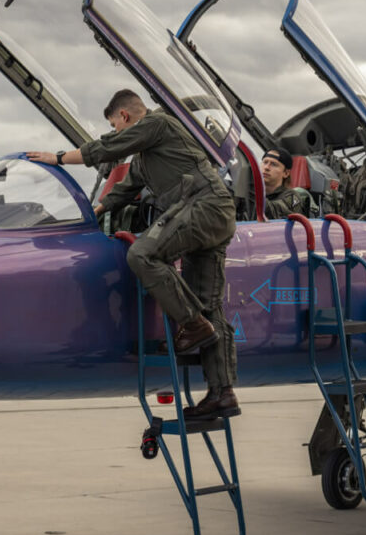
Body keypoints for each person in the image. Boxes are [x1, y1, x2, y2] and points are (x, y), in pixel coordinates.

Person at [26, 90, 239, 418]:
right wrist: (91, 213)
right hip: (212, 212)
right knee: (210, 306)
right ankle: (222, 394)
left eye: (115, 125)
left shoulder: (158, 124)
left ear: (124, 117)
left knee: (142, 255)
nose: (116, 133)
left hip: (204, 205)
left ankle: (191, 324)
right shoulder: (145, 158)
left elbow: (107, 149)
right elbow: (124, 190)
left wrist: (58, 157)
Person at [260, 148, 313, 219]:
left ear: (286, 173)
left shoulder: (292, 197)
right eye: (265, 162)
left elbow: (272, 212)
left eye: (274, 164)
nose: (266, 167)